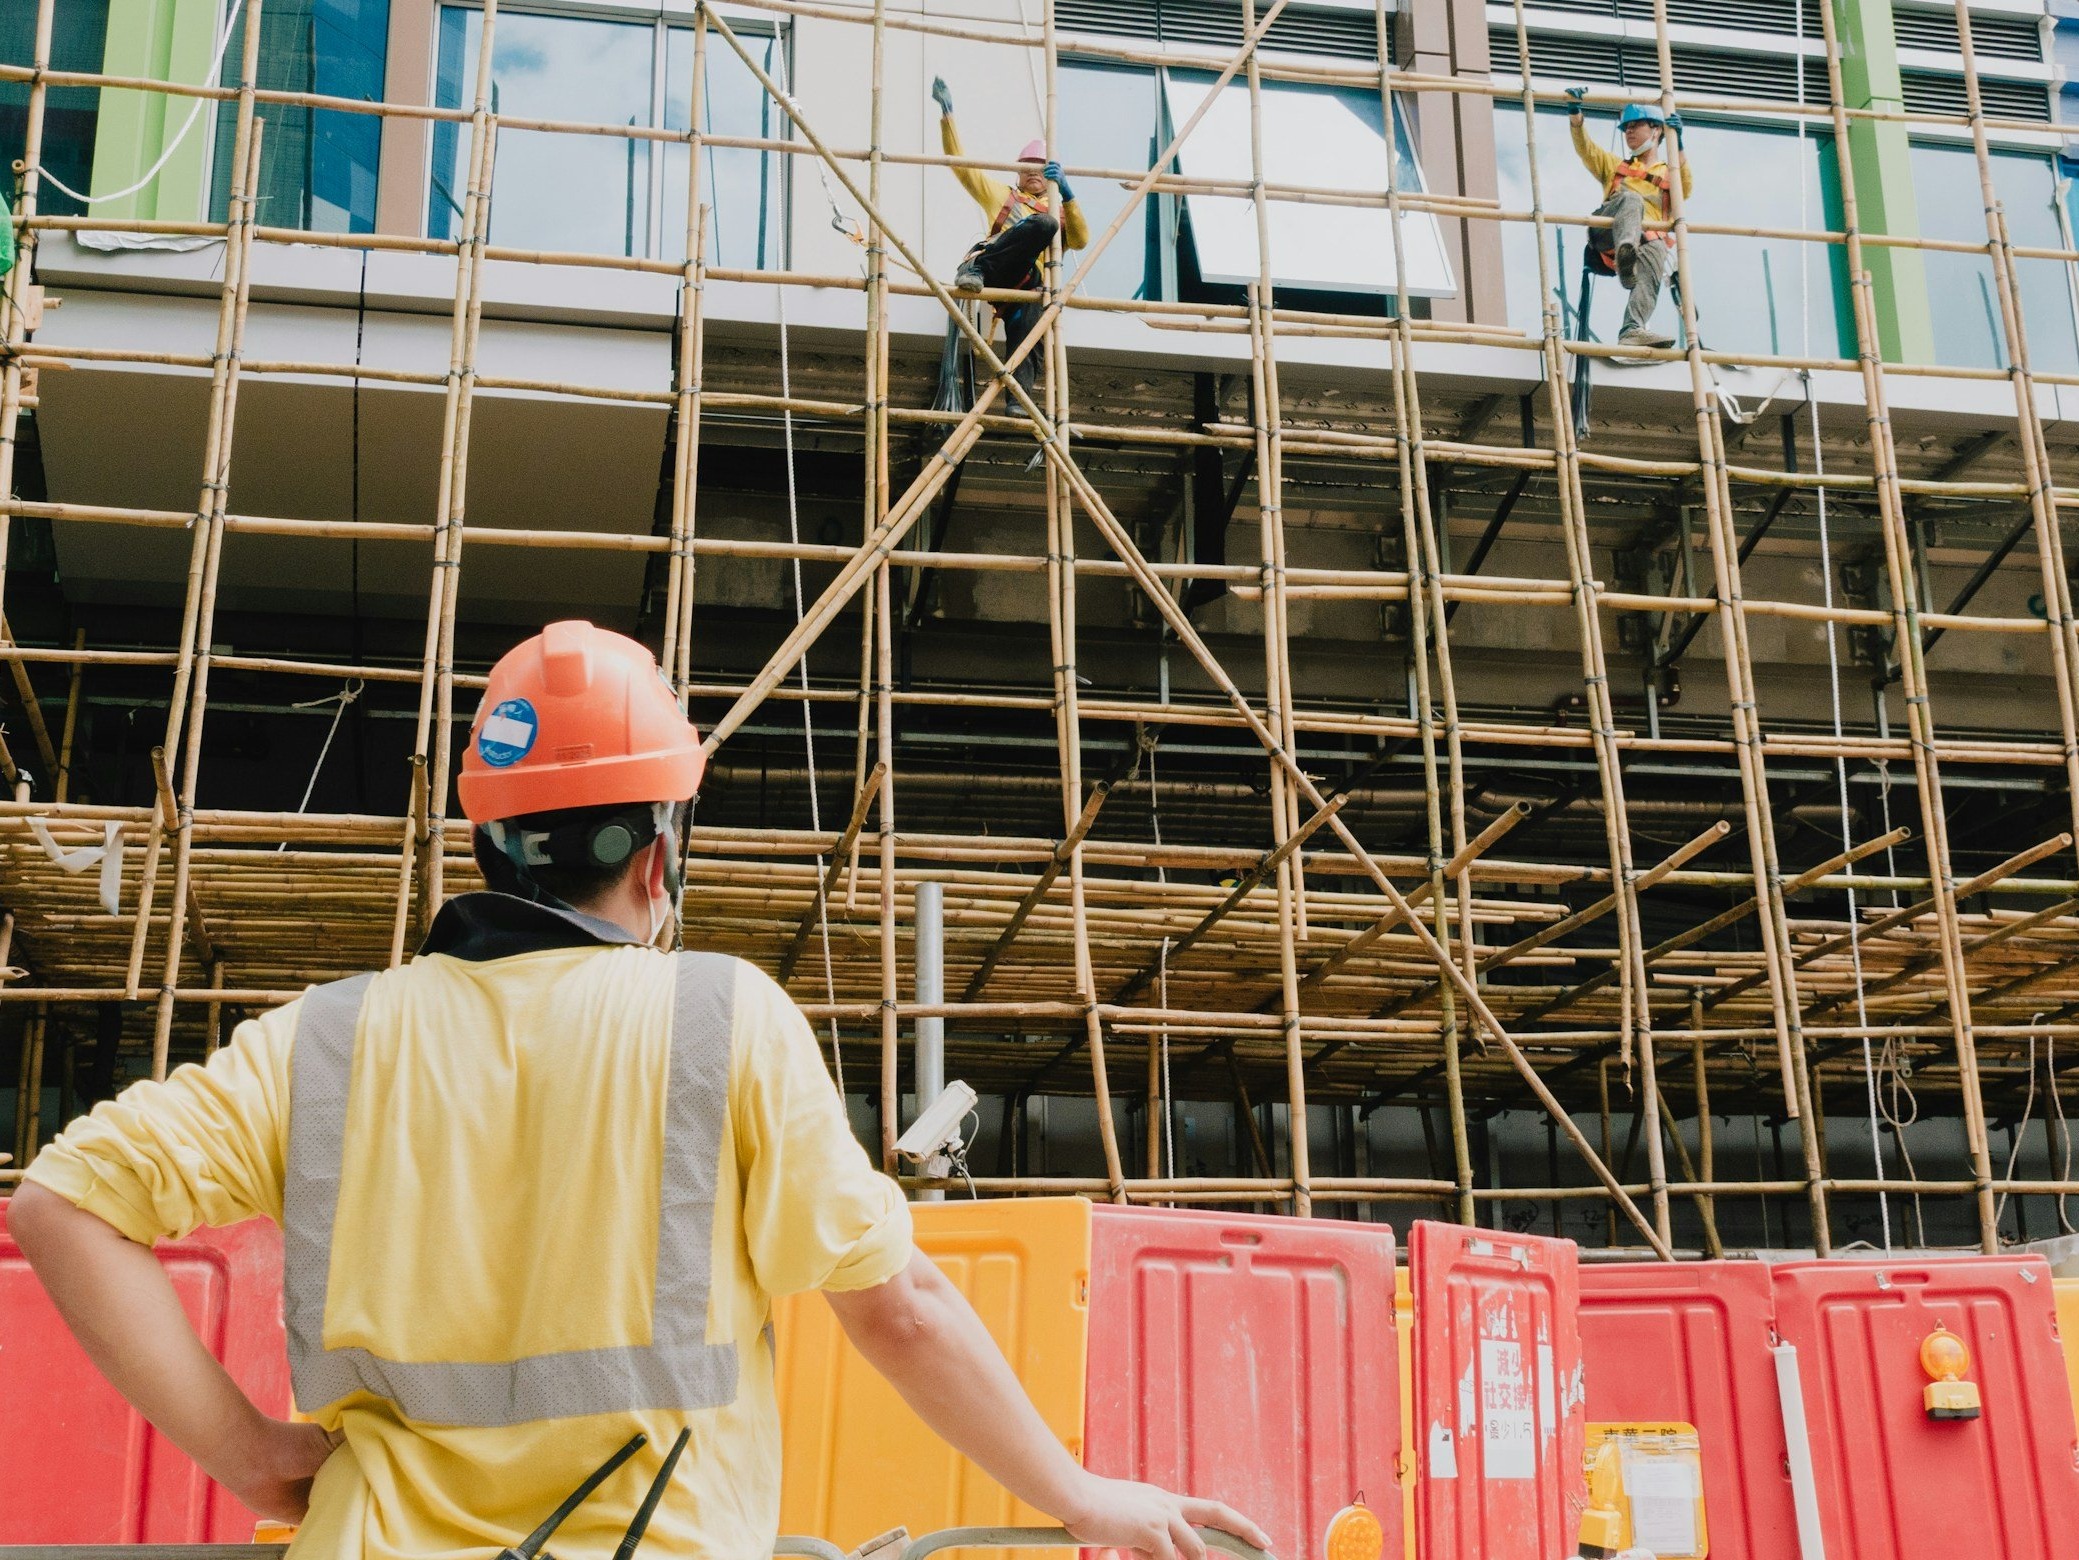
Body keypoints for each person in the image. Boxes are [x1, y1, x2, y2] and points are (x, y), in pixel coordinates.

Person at [11, 621, 1268, 1560]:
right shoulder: (722, 1020)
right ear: (658, 857)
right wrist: (1083, 1495)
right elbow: (903, 1313)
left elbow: (62, 1205)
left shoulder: (325, 1039)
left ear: (488, 834)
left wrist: (245, 1453)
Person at [933, 76, 1087, 383]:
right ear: (1017, 172)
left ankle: (1019, 399)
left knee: (1028, 332)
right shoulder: (1004, 196)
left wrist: (1068, 196)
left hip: (1026, 285)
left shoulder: (1059, 211)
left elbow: (1081, 241)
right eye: (1027, 166)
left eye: (1041, 167)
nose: (1033, 172)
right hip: (993, 269)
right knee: (1042, 224)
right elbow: (963, 168)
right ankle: (976, 268)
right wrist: (948, 115)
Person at [1569, 94, 1691, 350]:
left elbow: (1685, 189)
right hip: (1607, 231)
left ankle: (1632, 329)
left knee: (1658, 248)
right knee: (1631, 199)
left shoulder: (1669, 173)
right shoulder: (1616, 166)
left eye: (1635, 126)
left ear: (1656, 130)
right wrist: (1576, 116)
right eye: (1626, 128)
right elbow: (1586, 149)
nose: (1629, 132)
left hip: (1645, 244)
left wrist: (1678, 144)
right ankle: (1626, 252)